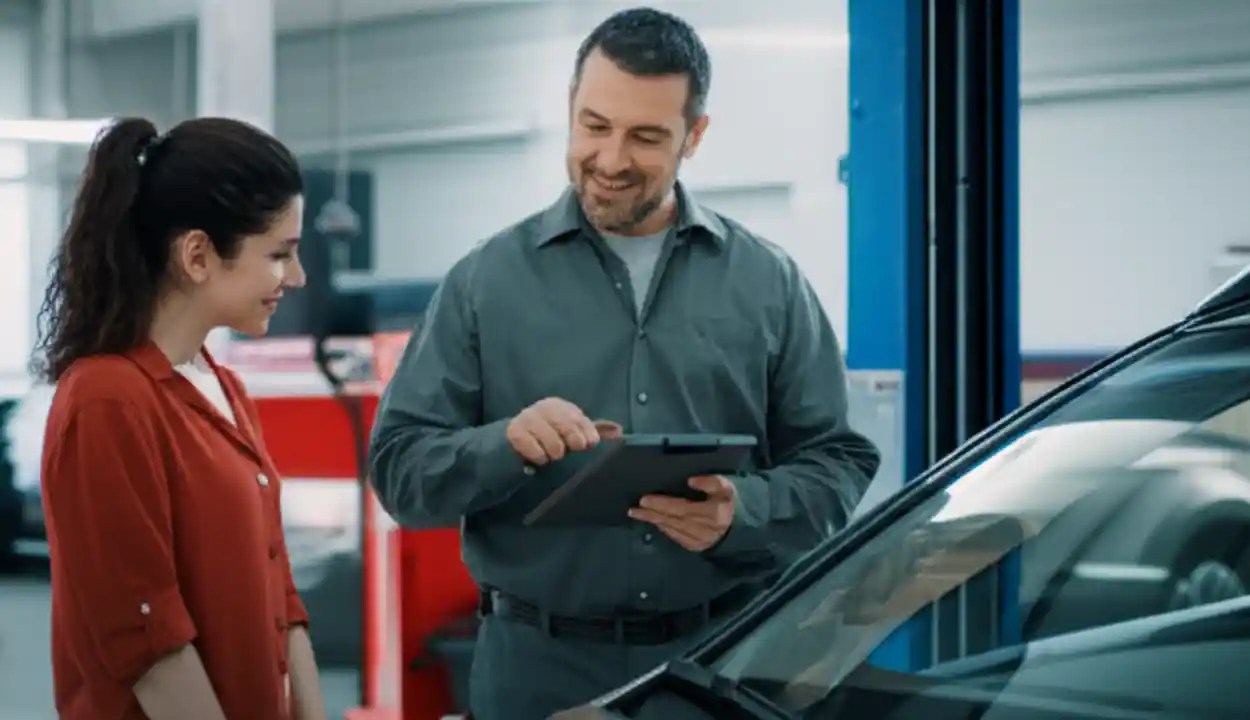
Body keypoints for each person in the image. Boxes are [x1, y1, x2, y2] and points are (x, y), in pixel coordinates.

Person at [368, 7, 880, 719]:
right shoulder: (484, 282)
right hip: (533, 676)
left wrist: (747, 512)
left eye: (644, 137)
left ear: (694, 136)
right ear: (571, 111)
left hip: (718, 666)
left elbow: (839, 461)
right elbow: (398, 471)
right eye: (594, 125)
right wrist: (503, 444)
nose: (609, 160)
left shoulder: (770, 282)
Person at [33, 116, 326, 720]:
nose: (296, 278)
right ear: (197, 254)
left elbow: (281, 593)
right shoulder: (107, 402)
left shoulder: (225, 388)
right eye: (279, 254)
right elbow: (148, 641)